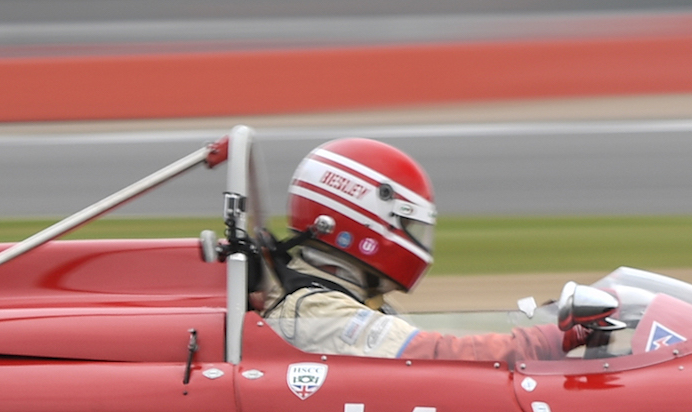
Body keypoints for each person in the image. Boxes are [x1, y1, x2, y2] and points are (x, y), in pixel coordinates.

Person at [259, 138, 609, 361]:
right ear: (357, 222)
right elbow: (432, 354)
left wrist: (547, 323)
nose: (417, 243)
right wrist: (541, 342)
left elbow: (439, 338)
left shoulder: (351, 300)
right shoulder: (314, 310)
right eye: (409, 227)